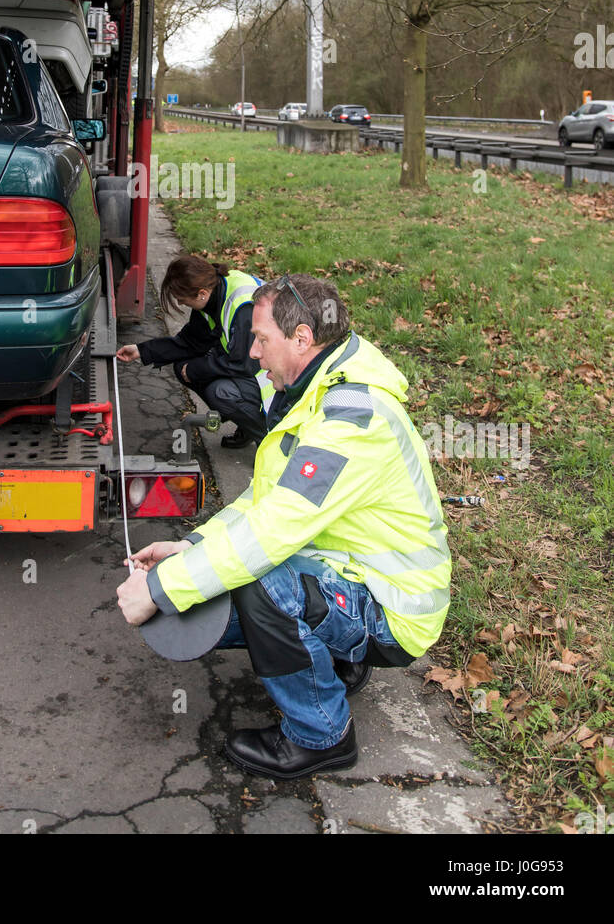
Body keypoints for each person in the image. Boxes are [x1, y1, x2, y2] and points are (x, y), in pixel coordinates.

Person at [116, 275, 451, 779]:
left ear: (300, 340)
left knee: (261, 586)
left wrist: (162, 589)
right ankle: (341, 658)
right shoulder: (318, 387)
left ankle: (321, 736)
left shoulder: (349, 422)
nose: (251, 353)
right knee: (227, 581)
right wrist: (189, 548)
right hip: (355, 575)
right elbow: (265, 501)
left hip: (396, 610)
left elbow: (271, 531)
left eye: (261, 339)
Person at [116, 254, 273, 447]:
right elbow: (189, 342)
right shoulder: (214, 291)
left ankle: (269, 440)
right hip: (253, 366)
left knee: (221, 392)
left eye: (182, 299)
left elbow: (244, 364)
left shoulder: (242, 306)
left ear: (201, 294)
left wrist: (196, 369)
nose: (181, 304)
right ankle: (247, 423)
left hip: (275, 378)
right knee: (182, 366)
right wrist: (141, 350)